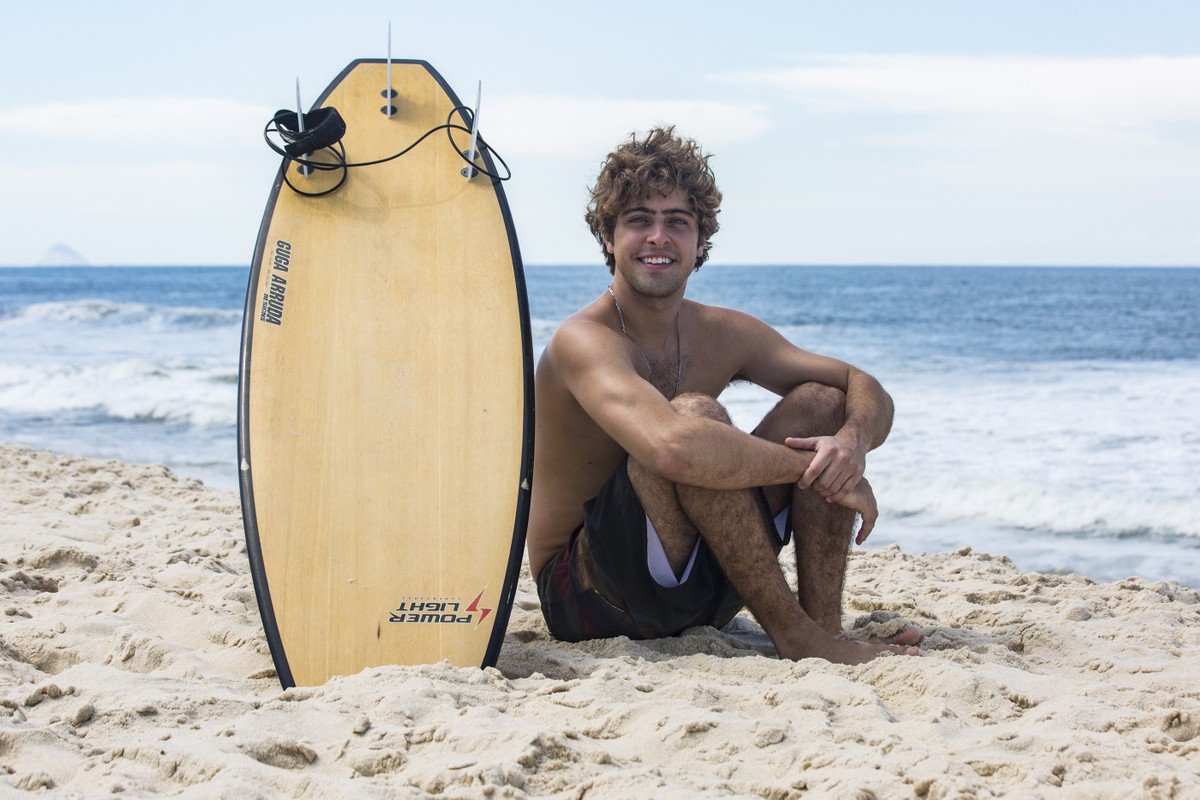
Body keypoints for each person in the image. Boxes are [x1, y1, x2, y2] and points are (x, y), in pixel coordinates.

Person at [527, 126, 921, 664]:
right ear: (607, 237)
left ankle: (822, 628)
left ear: (701, 241)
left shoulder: (722, 331)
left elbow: (862, 385)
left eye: (678, 222)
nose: (658, 237)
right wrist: (818, 471)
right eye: (639, 220)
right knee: (695, 416)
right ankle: (796, 636)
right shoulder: (584, 340)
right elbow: (673, 448)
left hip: (703, 585)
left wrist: (849, 447)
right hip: (591, 596)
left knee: (822, 403)